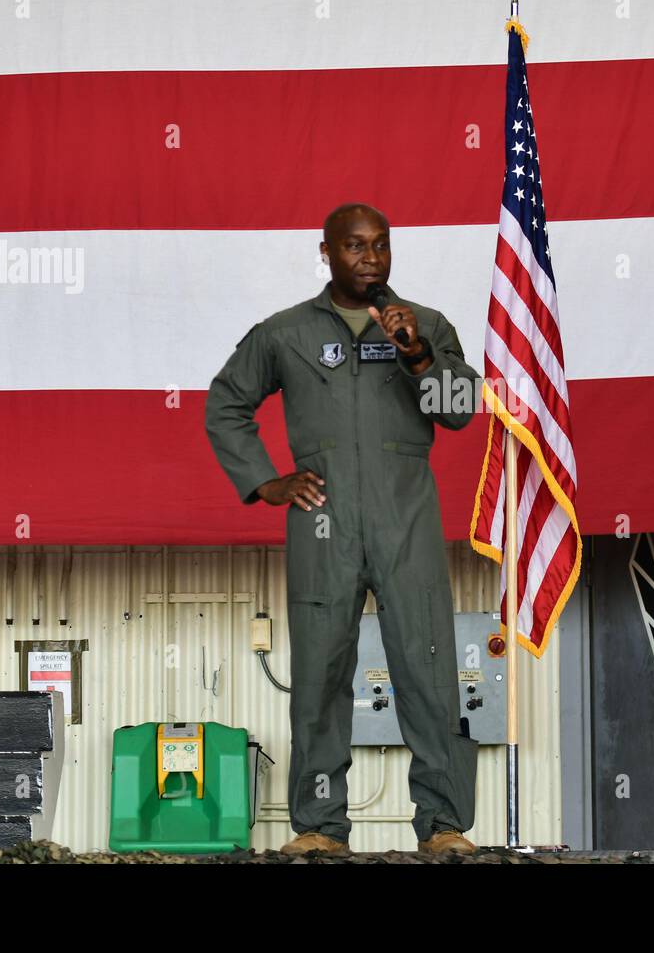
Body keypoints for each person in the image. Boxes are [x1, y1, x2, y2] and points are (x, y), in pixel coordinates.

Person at [205, 202, 480, 856]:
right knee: (322, 672)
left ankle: (443, 825)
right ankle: (320, 827)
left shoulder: (426, 326)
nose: (371, 258)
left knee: (428, 664)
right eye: (356, 246)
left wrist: (416, 356)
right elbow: (227, 402)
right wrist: (266, 481)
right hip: (322, 520)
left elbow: (462, 411)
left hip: (406, 515)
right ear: (326, 252)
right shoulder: (286, 333)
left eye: (381, 246)